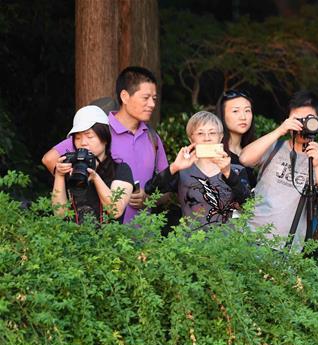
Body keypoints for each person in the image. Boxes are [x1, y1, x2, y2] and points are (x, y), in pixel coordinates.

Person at [42, 66, 167, 223]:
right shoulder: (96, 130)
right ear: (125, 96)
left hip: (143, 234)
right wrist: (73, 178)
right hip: (98, 232)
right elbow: (49, 159)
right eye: (146, 97)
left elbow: (167, 189)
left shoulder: (152, 137)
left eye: (154, 98)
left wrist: (148, 198)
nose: (152, 104)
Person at [240, 91, 318, 251]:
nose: (302, 125)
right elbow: (244, 159)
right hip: (250, 236)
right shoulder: (274, 146)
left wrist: (317, 166)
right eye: (297, 120)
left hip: (288, 248)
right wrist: (280, 130)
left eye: (308, 119)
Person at [145, 111, 250, 226]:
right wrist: (174, 167)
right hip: (190, 236)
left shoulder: (237, 171)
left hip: (229, 236)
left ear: (220, 137)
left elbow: (249, 204)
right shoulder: (182, 170)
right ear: (191, 139)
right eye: (200, 133)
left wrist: (228, 174)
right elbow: (150, 190)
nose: (207, 138)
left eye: (212, 133)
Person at [51, 105, 134, 223]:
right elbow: (59, 214)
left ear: (105, 138)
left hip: (109, 235)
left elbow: (115, 211)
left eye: (89, 136)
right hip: (73, 234)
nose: (83, 143)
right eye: (78, 138)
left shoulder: (121, 169)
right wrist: (59, 175)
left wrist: (95, 177)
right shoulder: (70, 168)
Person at [215, 89, 257, 188]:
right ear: (222, 115)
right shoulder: (215, 152)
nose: (243, 117)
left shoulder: (254, 152)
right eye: (235, 111)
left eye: (247, 110)